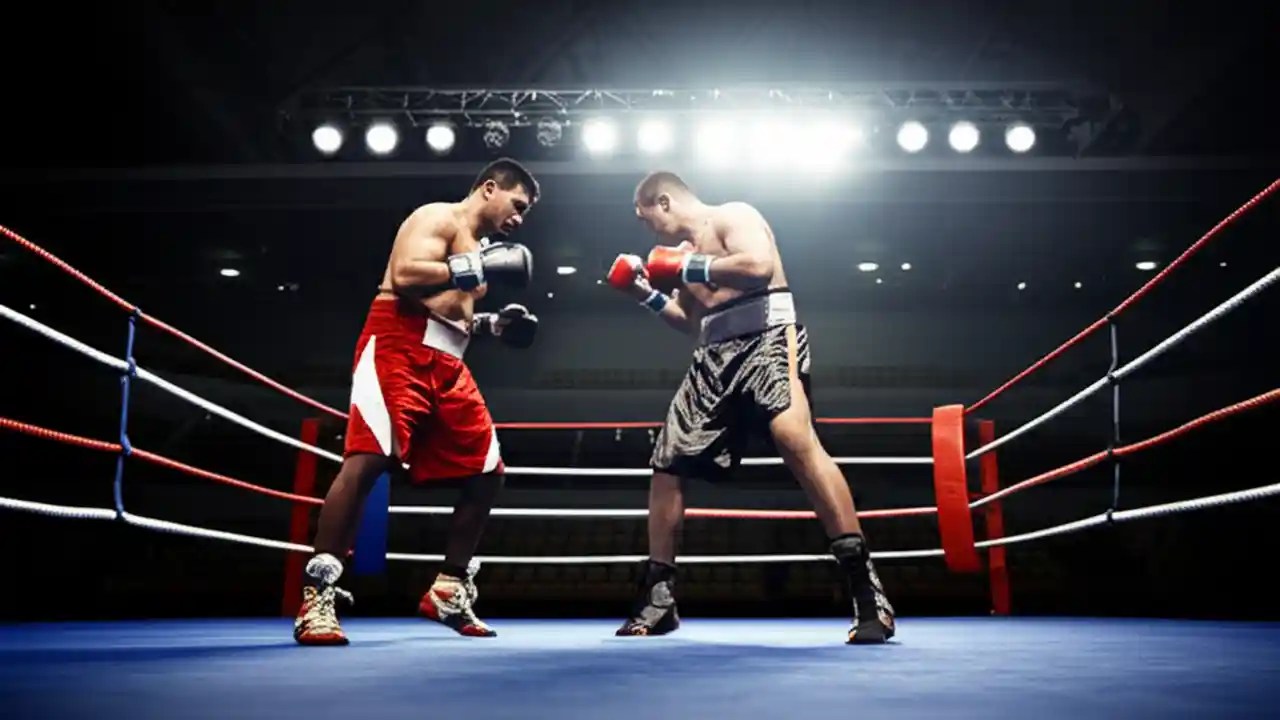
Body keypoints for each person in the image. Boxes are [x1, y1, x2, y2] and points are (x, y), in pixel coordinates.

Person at [605, 171, 895, 644]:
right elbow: (688, 319)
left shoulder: (733, 215)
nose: (647, 230)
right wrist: (644, 292)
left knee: (794, 440)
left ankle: (867, 593)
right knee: (667, 460)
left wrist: (687, 267)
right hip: (712, 354)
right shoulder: (679, 257)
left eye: (646, 218)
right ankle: (659, 600)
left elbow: (758, 267)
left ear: (663, 201)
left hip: (767, 338)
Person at [293, 157, 541, 645]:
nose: (519, 218)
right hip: (396, 346)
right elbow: (407, 276)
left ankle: (449, 587)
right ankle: (317, 594)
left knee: (486, 470)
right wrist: (477, 266)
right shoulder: (437, 217)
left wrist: (494, 325)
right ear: (489, 188)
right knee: (368, 460)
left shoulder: (478, 249)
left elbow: (451, 312)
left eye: (526, 212)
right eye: (517, 204)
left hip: (448, 362)